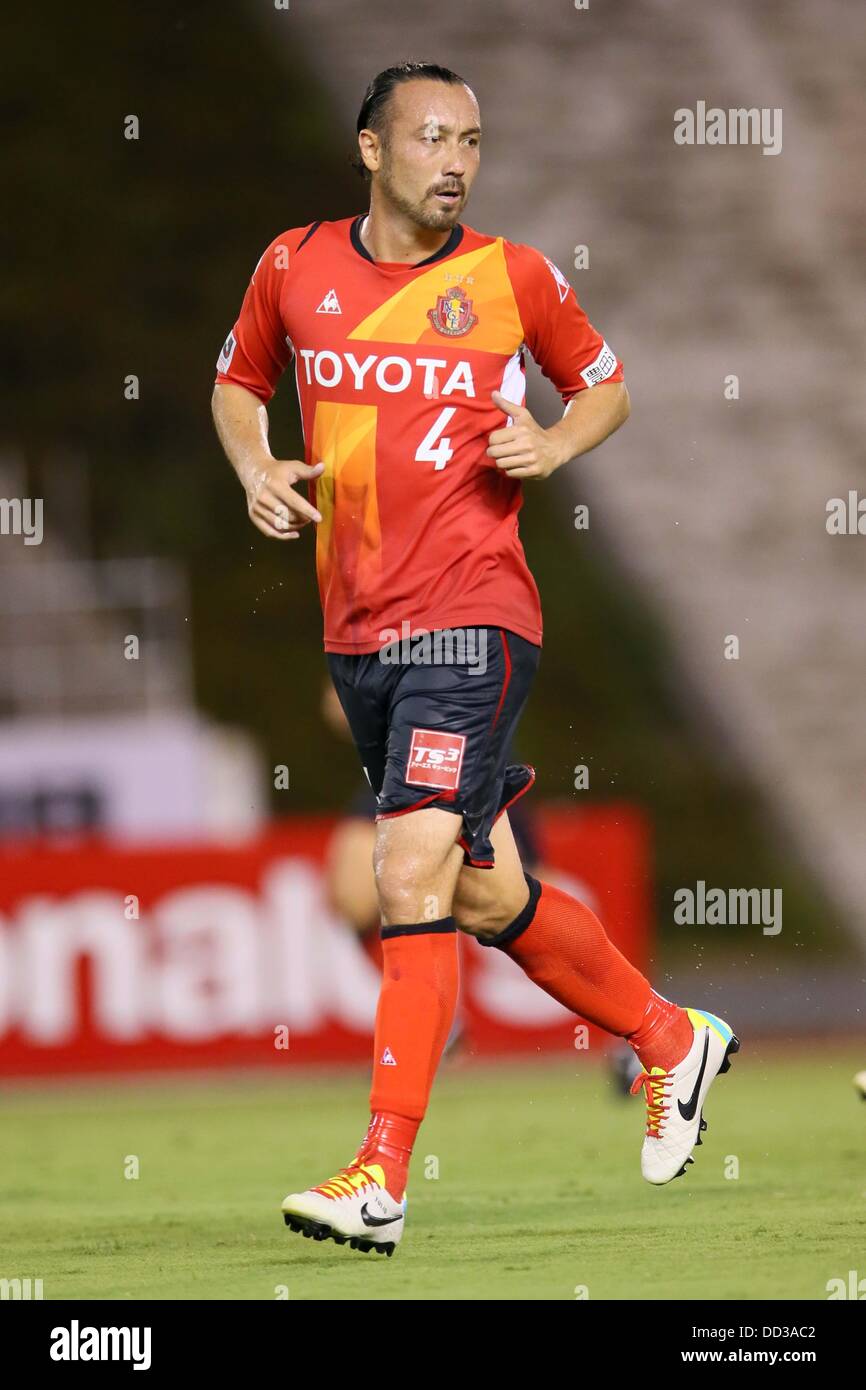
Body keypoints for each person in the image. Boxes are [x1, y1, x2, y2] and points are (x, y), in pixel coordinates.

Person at [212, 61, 738, 1257]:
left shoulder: (511, 277)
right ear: (369, 149)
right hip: (357, 632)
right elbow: (237, 383)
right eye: (432, 138)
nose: (455, 160)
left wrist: (552, 441)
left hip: (473, 615)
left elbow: (602, 383)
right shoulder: (292, 266)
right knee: (478, 891)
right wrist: (255, 468)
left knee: (405, 878)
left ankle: (380, 1175)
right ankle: (667, 1038)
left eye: (472, 141)